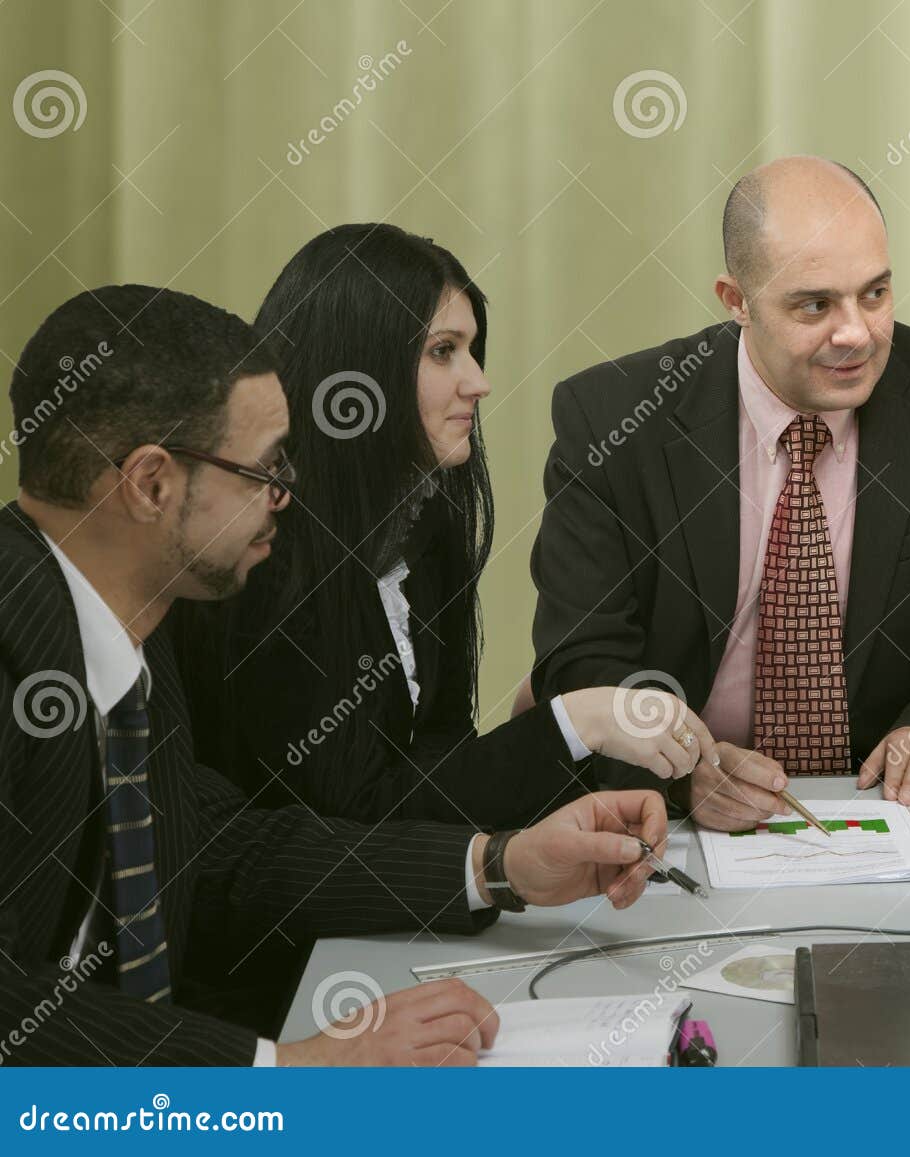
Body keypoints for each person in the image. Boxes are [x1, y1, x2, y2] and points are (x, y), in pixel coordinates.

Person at [0, 284, 668, 1065]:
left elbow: (215, 849)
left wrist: (499, 865)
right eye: (262, 469)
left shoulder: (122, 628)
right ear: (152, 484)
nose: (285, 494)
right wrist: (292, 1070)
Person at [166, 226, 717, 1034]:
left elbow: (431, 771)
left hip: (388, 937)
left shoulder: (425, 531)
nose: (479, 382)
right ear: (352, 372)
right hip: (274, 985)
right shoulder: (267, 561)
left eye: (472, 350)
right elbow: (364, 812)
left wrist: (543, 742)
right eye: (443, 352)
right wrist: (571, 723)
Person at [523, 155, 910, 830]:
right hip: (680, 815)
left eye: (876, 294)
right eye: (815, 304)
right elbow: (583, 655)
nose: (856, 332)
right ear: (736, 300)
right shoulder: (616, 419)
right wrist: (685, 770)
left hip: (891, 806)